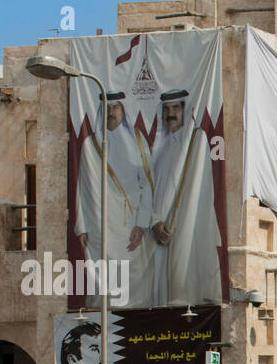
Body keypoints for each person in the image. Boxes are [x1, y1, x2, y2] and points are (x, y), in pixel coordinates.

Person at [74, 92, 154, 307]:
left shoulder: (137, 140)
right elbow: (83, 187)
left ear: (123, 110)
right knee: (103, 276)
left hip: (129, 222)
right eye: (108, 107)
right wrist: (82, 226)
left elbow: (147, 184)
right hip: (100, 224)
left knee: (133, 276)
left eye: (116, 107)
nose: (111, 112)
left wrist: (142, 224)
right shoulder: (90, 144)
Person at [149, 88, 221, 307]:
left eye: (175, 108)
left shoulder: (196, 141)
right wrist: (155, 221)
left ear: (185, 109)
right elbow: (153, 191)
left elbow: (191, 191)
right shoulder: (160, 150)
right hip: (158, 232)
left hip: (184, 227)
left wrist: (171, 223)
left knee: (184, 284)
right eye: (166, 109)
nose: (171, 114)